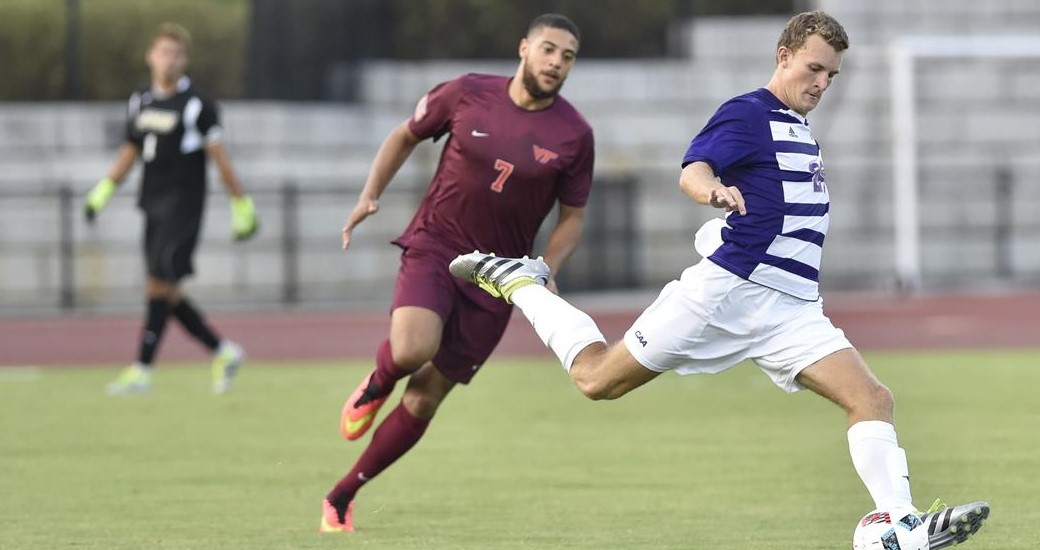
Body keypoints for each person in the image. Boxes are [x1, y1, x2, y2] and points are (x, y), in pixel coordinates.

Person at [450, 10, 989, 550]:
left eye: (832, 76)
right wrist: (711, 191)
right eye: (815, 69)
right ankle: (522, 282)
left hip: (794, 309)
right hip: (727, 293)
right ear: (784, 56)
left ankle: (902, 526)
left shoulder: (799, 126)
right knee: (597, 380)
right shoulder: (748, 113)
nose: (822, 83)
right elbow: (694, 169)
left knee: (873, 398)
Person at [319, 13, 594, 534]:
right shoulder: (467, 93)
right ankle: (376, 384)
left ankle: (342, 494)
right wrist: (369, 194)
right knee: (412, 349)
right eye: (549, 50)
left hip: (499, 276)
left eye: (568, 56)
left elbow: (573, 217)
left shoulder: (575, 135)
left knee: (425, 397)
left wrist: (547, 267)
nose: (557, 62)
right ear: (524, 49)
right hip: (436, 245)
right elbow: (405, 135)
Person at [84, 22, 258, 395]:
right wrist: (104, 189)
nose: (169, 60)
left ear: (185, 60)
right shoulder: (141, 101)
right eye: (163, 52)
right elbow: (131, 149)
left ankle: (142, 369)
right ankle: (223, 351)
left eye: (176, 54)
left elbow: (219, 157)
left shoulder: (197, 105)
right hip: (151, 204)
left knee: (159, 284)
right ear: (150, 56)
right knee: (166, 292)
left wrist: (240, 202)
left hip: (183, 209)